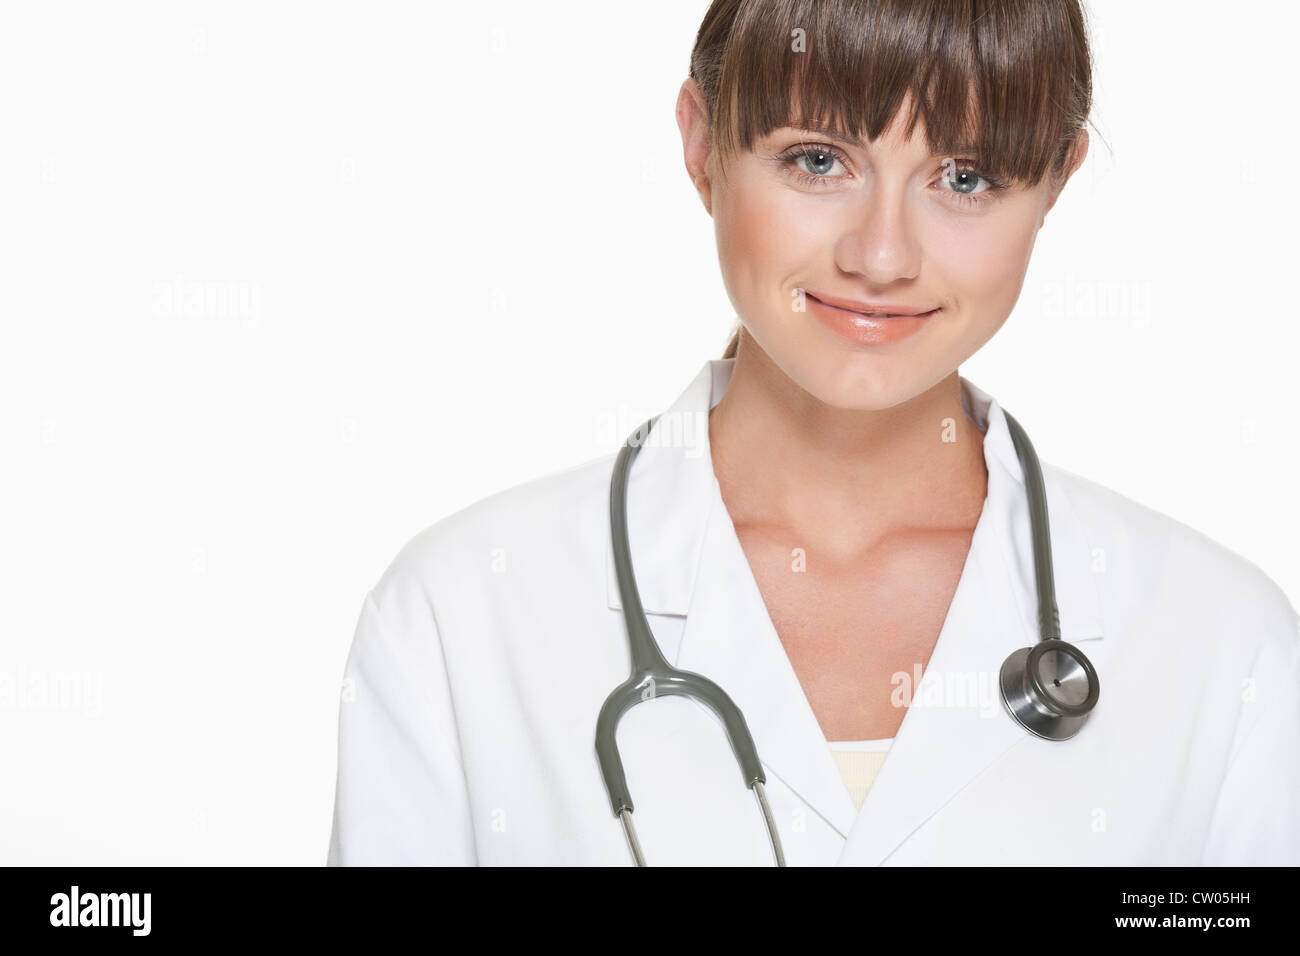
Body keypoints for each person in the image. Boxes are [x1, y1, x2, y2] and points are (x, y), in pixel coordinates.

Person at [326, 0, 1300, 865]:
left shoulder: (1224, 648)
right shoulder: (460, 619)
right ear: (703, 145)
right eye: (819, 159)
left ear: (1055, 179)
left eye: (964, 177)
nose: (881, 255)